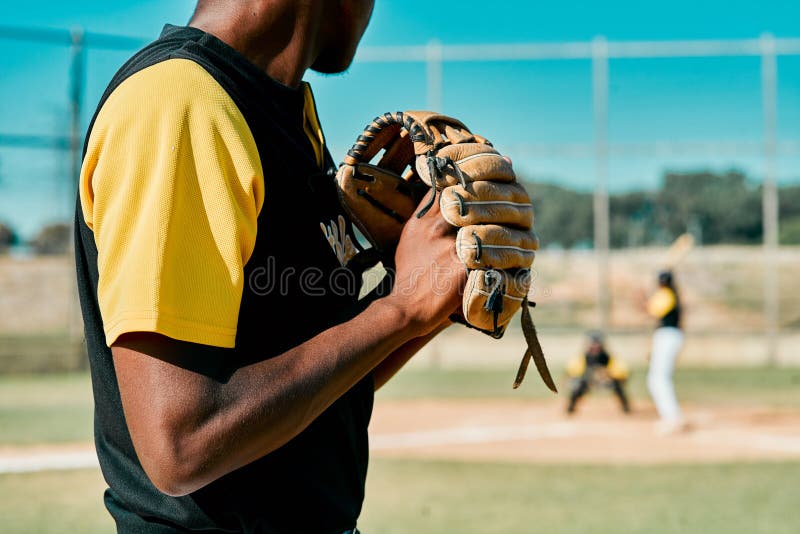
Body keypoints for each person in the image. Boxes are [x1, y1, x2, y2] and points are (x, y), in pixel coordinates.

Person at [74, 1, 467, 531]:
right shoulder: (183, 103)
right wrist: (400, 311)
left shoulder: (283, 114)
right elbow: (182, 446)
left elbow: (310, 396)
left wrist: (431, 293)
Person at [646, 270, 686, 433]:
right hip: (668, 336)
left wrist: (645, 292)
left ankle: (672, 418)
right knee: (657, 378)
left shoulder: (666, 295)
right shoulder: (669, 294)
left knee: (658, 378)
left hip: (667, 336)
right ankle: (670, 416)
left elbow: (651, 309)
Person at [565, 331, 630, 414]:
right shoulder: (583, 358)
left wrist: (608, 377)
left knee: (617, 385)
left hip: (605, 380)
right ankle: (571, 407)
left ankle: (625, 407)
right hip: (588, 381)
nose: (594, 347)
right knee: (578, 385)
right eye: (592, 344)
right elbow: (572, 373)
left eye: (597, 344)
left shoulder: (607, 357)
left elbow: (621, 374)